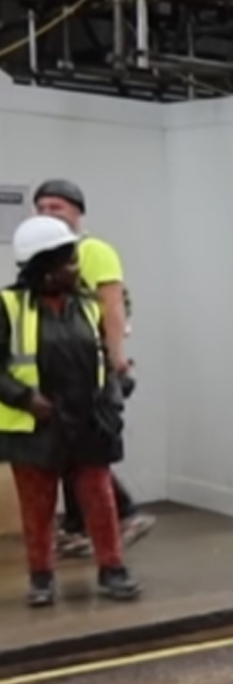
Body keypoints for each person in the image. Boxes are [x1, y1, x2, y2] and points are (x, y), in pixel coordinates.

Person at [0, 216, 139, 606]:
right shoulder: (7, 306)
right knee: (38, 508)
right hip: (35, 425)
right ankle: (41, 578)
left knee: (99, 500)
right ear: (44, 267)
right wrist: (25, 398)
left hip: (87, 421)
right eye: (69, 261)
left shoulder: (87, 307)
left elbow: (103, 361)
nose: (77, 267)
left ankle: (113, 569)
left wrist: (111, 402)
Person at [29, 179, 155, 557]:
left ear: (77, 212)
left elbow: (112, 308)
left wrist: (118, 363)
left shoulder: (94, 251)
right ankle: (79, 525)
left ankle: (125, 514)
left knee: (83, 449)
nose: (48, 214)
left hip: (92, 367)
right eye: (42, 208)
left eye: (58, 207)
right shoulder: (42, 254)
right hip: (58, 368)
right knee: (67, 448)